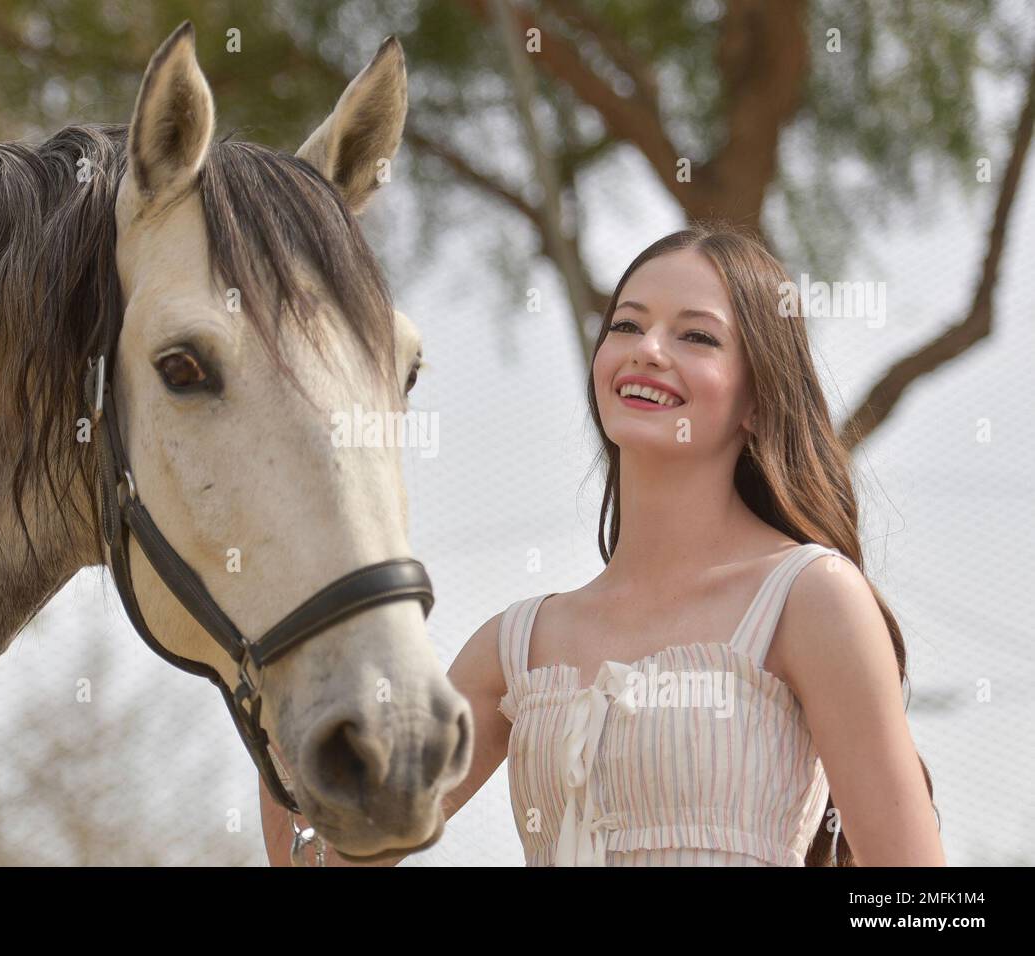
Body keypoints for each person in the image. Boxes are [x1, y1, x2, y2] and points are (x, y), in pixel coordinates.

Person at [260, 221, 944, 866]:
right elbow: (323, 853)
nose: (648, 348)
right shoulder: (518, 644)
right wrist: (284, 650)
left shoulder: (810, 598)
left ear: (758, 400)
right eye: (627, 324)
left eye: (696, 337)